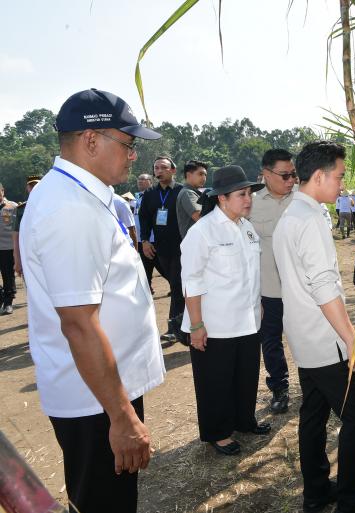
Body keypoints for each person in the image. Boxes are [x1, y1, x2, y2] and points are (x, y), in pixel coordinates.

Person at [19, 88, 165, 513]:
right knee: (105, 502)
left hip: (102, 387)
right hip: (95, 400)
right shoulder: (69, 209)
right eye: (128, 144)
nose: (133, 156)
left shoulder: (81, 196)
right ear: (90, 140)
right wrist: (121, 417)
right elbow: (79, 323)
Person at [274, 141, 355, 513]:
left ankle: (316, 493)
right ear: (319, 176)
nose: (342, 184)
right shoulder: (309, 219)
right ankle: (351, 503)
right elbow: (324, 287)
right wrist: (352, 340)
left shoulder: (291, 214)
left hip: (304, 336)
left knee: (313, 414)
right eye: (340, 176)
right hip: (326, 340)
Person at [180, 165, 271, 456]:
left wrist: (258, 304)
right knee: (215, 380)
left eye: (249, 194)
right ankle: (218, 432)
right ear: (222, 198)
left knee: (245, 375)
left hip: (247, 319)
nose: (248, 199)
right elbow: (191, 281)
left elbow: (251, 273)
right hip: (215, 323)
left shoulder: (246, 227)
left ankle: (244, 420)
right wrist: (196, 325)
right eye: (241, 194)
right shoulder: (202, 231)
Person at [247, 149, 295, 415]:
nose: (290, 180)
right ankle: (280, 388)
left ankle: (315, 386)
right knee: (271, 342)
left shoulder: (303, 199)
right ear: (266, 174)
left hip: (300, 289)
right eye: (284, 175)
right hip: (267, 290)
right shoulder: (250, 204)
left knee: (306, 338)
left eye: (293, 174)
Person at [139, 155, 184, 342]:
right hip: (160, 249)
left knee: (177, 285)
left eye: (163, 167)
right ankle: (185, 322)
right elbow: (144, 218)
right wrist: (144, 241)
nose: (159, 171)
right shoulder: (150, 194)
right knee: (177, 285)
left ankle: (174, 328)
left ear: (173, 170)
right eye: (156, 168)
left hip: (182, 247)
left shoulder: (182, 191)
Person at [133, 173, 160, 292]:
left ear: (151, 182)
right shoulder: (136, 197)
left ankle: (177, 288)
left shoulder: (155, 196)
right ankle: (147, 289)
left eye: (143, 179)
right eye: (139, 179)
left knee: (162, 266)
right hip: (141, 239)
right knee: (144, 268)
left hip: (153, 239)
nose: (140, 181)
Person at [12, 174, 41, 277]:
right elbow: (16, 236)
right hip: (29, 256)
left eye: (36, 185)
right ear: (27, 188)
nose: (34, 188)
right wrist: (17, 260)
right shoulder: (21, 209)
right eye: (31, 186)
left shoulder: (52, 205)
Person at [176, 160, 208, 240]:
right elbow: (200, 218)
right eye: (200, 174)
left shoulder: (194, 193)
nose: (204, 178)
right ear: (188, 175)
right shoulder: (187, 193)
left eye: (205, 175)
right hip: (194, 243)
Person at [0, 184, 18, 314]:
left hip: (7, 247)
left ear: (2, 191)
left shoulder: (13, 206)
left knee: (7, 275)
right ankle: (1, 295)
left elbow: (18, 227)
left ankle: (8, 303)